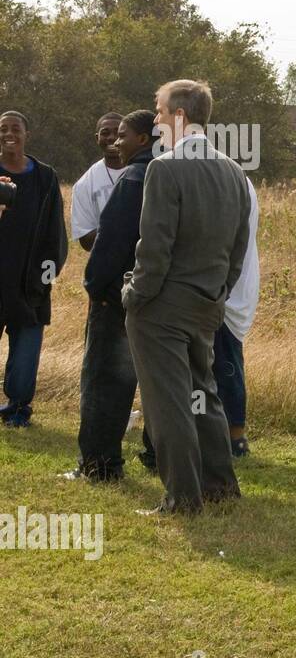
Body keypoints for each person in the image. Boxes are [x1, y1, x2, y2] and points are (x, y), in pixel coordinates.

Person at [123, 80, 251, 514]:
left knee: (168, 404)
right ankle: (219, 485)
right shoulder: (234, 172)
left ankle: (182, 498)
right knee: (205, 395)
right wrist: (218, 292)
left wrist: (135, 294)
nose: (155, 120)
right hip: (207, 302)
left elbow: (154, 247)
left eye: (158, 111)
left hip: (162, 305)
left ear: (179, 116)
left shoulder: (165, 168)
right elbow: (238, 248)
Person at [73, 111, 157, 480]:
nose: (115, 142)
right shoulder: (164, 174)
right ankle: (160, 457)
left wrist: (95, 286)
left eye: (122, 135)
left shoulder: (133, 178)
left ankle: (99, 466)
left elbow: (110, 244)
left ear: (142, 138)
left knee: (104, 383)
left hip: (115, 298)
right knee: (157, 383)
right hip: (154, 297)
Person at [0, 111, 68, 428]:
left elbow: (55, 233)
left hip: (30, 282)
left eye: (15, 128)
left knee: (26, 350)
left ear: (27, 134)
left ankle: (17, 410)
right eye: (3, 129)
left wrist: (46, 279)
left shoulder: (44, 176)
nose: (9, 133)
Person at [213, 175, 259, 458]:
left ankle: (235, 438)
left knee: (226, 363)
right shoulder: (238, 179)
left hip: (226, 286)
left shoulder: (229, 181)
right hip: (231, 283)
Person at [70, 112, 125, 251]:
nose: (112, 138)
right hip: (107, 265)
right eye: (105, 133)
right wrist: (124, 227)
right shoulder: (84, 185)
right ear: (97, 138)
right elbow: (86, 240)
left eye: (119, 133)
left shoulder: (147, 171)